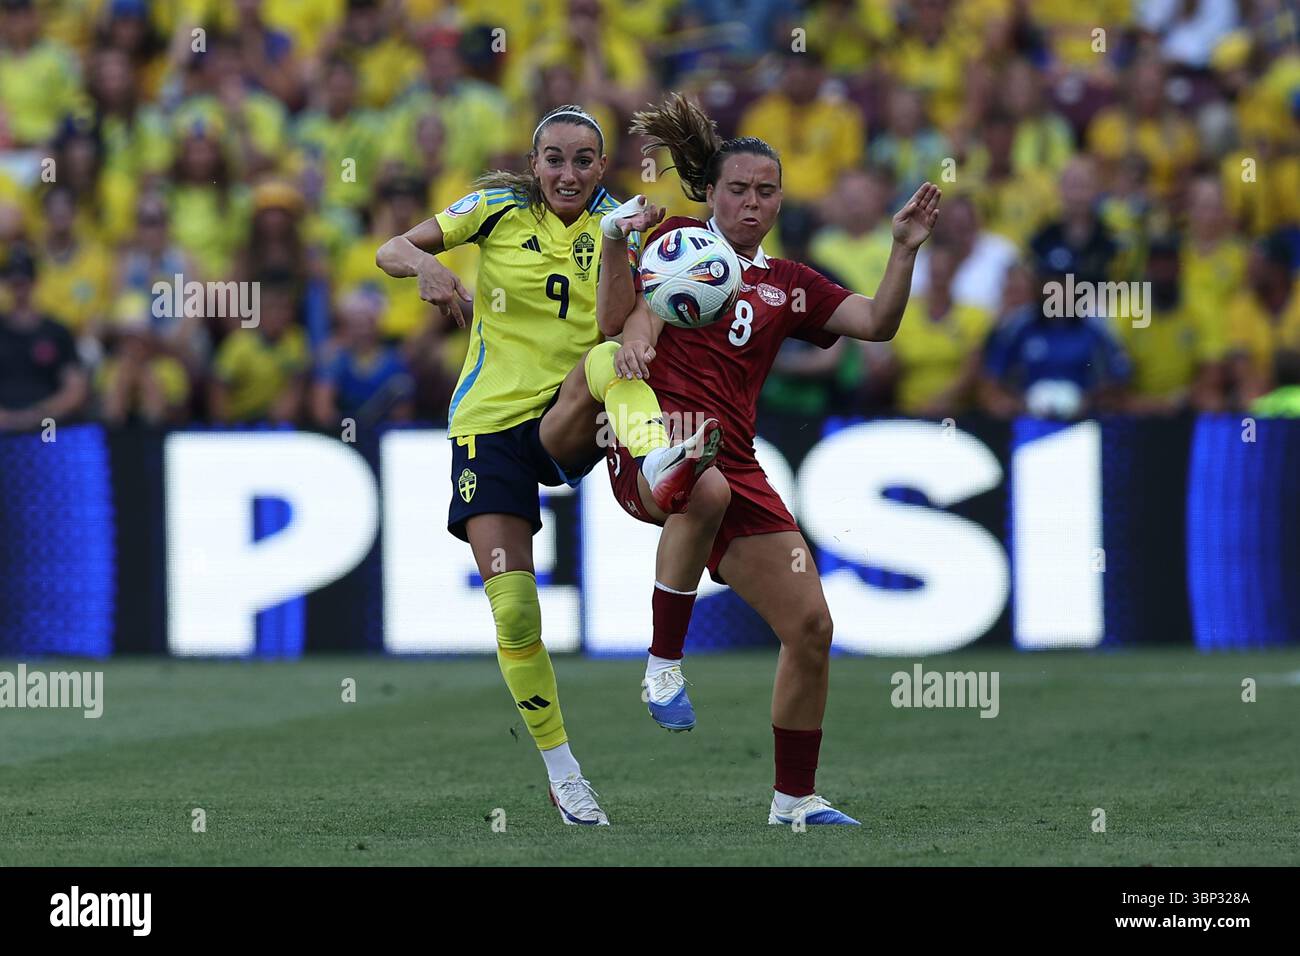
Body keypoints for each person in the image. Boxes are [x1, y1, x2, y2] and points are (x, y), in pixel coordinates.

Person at [375, 104, 720, 826]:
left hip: (567, 420)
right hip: (488, 429)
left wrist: (639, 332)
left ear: (602, 166)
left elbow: (642, 307)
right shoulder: (496, 208)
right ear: (534, 165)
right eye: (555, 159)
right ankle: (565, 775)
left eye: (584, 159)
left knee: (602, 356)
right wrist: (430, 269)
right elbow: (390, 248)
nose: (569, 172)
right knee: (515, 609)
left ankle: (659, 461)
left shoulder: (622, 222)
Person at [608, 94, 941, 826]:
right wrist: (635, 339)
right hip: (652, 445)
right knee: (703, 483)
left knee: (812, 629)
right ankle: (663, 665)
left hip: (734, 463)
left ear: (781, 198)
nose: (752, 203)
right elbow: (639, 311)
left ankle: (795, 800)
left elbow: (876, 325)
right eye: (737, 189)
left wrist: (904, 248)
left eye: (765, 191)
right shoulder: (679, 248)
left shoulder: (790, 283)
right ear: (712, 193)